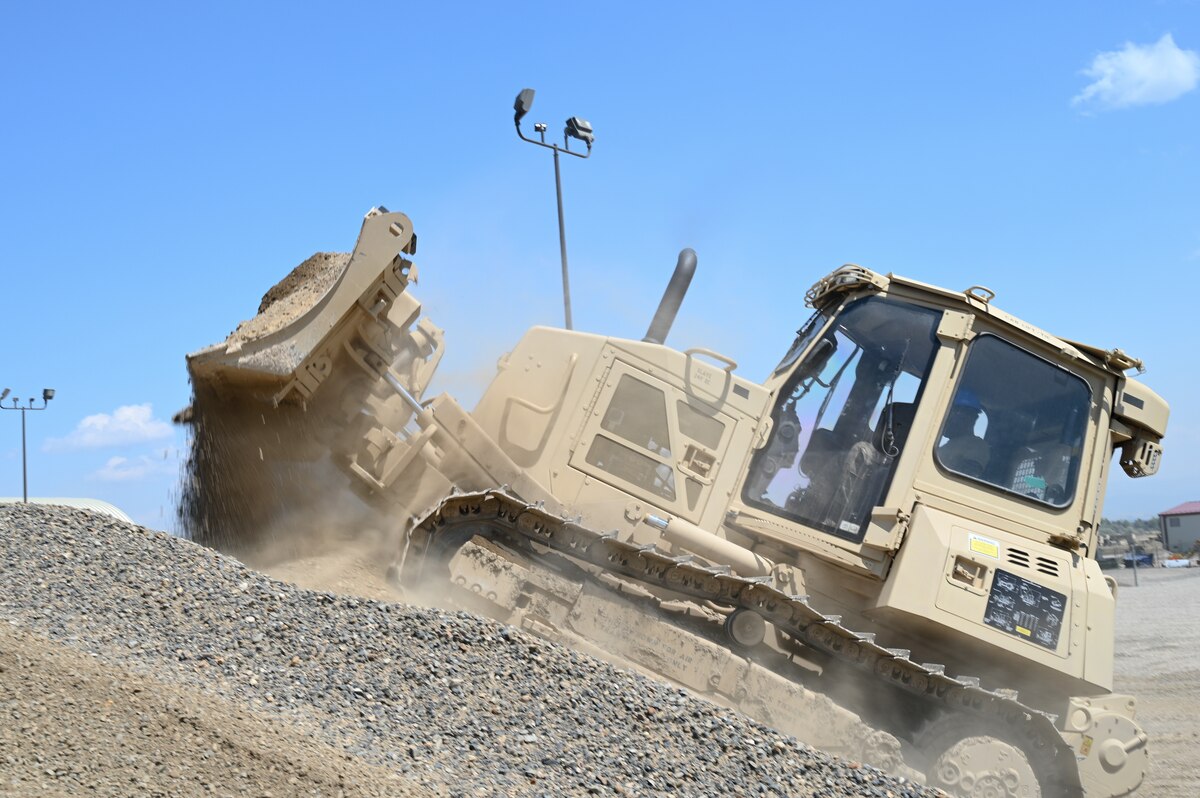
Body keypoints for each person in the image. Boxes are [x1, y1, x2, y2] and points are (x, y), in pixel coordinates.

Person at [939, 391, 989, 478]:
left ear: (972, 418)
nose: (947, 418)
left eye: (952, 412)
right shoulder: (950, 444)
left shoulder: (975, 445)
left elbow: (964, 479)